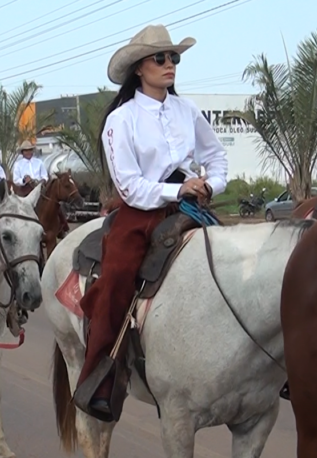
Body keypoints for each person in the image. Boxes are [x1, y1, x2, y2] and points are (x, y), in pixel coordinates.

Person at [74, 24, 228, 419]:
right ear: (139, 68)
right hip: (140, 212)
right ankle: (99, 380)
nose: (169, 64)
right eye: (160, 58)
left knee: (236, 267)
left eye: (173, 57)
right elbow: (128, 187)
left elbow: (217, 158)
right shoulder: (121, 120)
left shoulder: (187, 110)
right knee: (115, 283)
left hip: (193, 204)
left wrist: (211, 185)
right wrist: (178, 191)